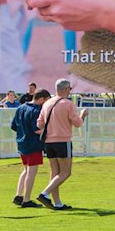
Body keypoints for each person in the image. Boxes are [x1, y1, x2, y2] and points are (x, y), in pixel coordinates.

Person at [34, 79, 84, 210]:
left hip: (49, 142)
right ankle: (44, 193)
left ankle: (57, 203)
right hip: (63, 141)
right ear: (66, 89)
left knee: (55, 172)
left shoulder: (47, 104)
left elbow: (39, 123)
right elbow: (78, 123)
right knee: (66, 172)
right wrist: (83, 115)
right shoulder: (68, 104)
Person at [10, 90, 49, 207]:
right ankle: (26, 200)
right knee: (32, 172)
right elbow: (37, 129)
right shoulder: (37, 110)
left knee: (26, 170)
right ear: (41, 99)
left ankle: (19, 195)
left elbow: (13, 126)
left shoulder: (21, 108)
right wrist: (51, 131)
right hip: (33, 144)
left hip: (22, 143)